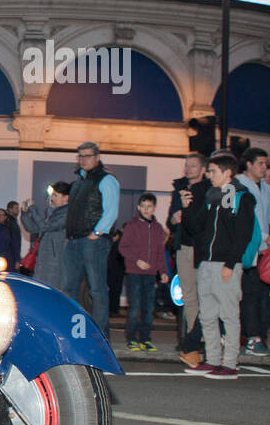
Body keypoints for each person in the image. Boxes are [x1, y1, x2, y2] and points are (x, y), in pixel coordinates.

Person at [182, 150, 258, 379]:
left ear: (227, 173)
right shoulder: (211, 196)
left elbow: (242, 234)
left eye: (213, 171)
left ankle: (230, 364)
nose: (209, 175)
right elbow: (196, 228)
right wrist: (187, 208)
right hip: (206, 263)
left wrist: (231, 263)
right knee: (207, 315)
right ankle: (213, 360)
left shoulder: (241, 197)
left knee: (228, 315)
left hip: (226, 264)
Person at [62, 141, 120, 339]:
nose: (83, 160)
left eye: (87, 156)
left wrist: (96, 234)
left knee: (97, 289)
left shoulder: (106, 179)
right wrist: (70, 238)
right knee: (70, 289)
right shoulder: (78, 182)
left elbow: (111, 212)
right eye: (80, 156)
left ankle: (100, 336)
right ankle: (75, 334)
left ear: (96, 157)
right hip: (74, 240)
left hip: (93, 241)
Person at [168, 152, 210, 366]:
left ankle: (200, 339)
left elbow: (205, 221)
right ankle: (194, 340)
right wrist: (174, 218)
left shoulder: (209, 189)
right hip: (183, 247)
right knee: (190, 297)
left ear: (203, 169)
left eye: (193, 165)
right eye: (186, 165)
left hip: (202, 249)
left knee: (206, 296)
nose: (188, 169)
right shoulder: (179, 188)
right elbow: (170, 219)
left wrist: (188, 213)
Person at [237, 147, 270, 360]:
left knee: (264, 296)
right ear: (249, 164)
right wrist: (265, 237)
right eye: (261, 163)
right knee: (250, 295)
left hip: (265, 251)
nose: (264, 168)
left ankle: (260, 337)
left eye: (265, 163)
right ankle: (251, 337)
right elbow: (244, 220)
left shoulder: (267, 189)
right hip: (246, 249)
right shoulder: (238, 185)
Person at [119, 193, 169, 351]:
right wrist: (137, 261)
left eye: (150, 206)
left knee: (148, 309)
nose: (147, 209)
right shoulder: (132, 226)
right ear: (138, 207)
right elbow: (123, 247)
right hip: (134, 273)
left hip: (151, 275)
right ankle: (132, 338)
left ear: (154, 208)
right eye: (144, 206)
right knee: (134, 308)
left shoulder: (158, 228)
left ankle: (145, 339)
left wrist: (163, 271)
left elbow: (160, 252)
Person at [19, 182, 70, 291]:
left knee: (51, 293)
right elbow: (32, 228)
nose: (51, 198)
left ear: (66, 197)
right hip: (44, 259)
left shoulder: (67, 214)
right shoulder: (54, 213)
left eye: (55, 195)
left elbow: (46, 226)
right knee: (40, 290)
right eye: (52, 195)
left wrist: (33, 209)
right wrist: (24, 214)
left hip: (55, 261)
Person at [4, 200, 23, 272]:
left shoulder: (12, 221)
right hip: (10, 256)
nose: (18, 210)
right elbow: (15, 242)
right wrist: (17, 259)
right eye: (16, 208)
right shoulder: (10, 222)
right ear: (10, 209)